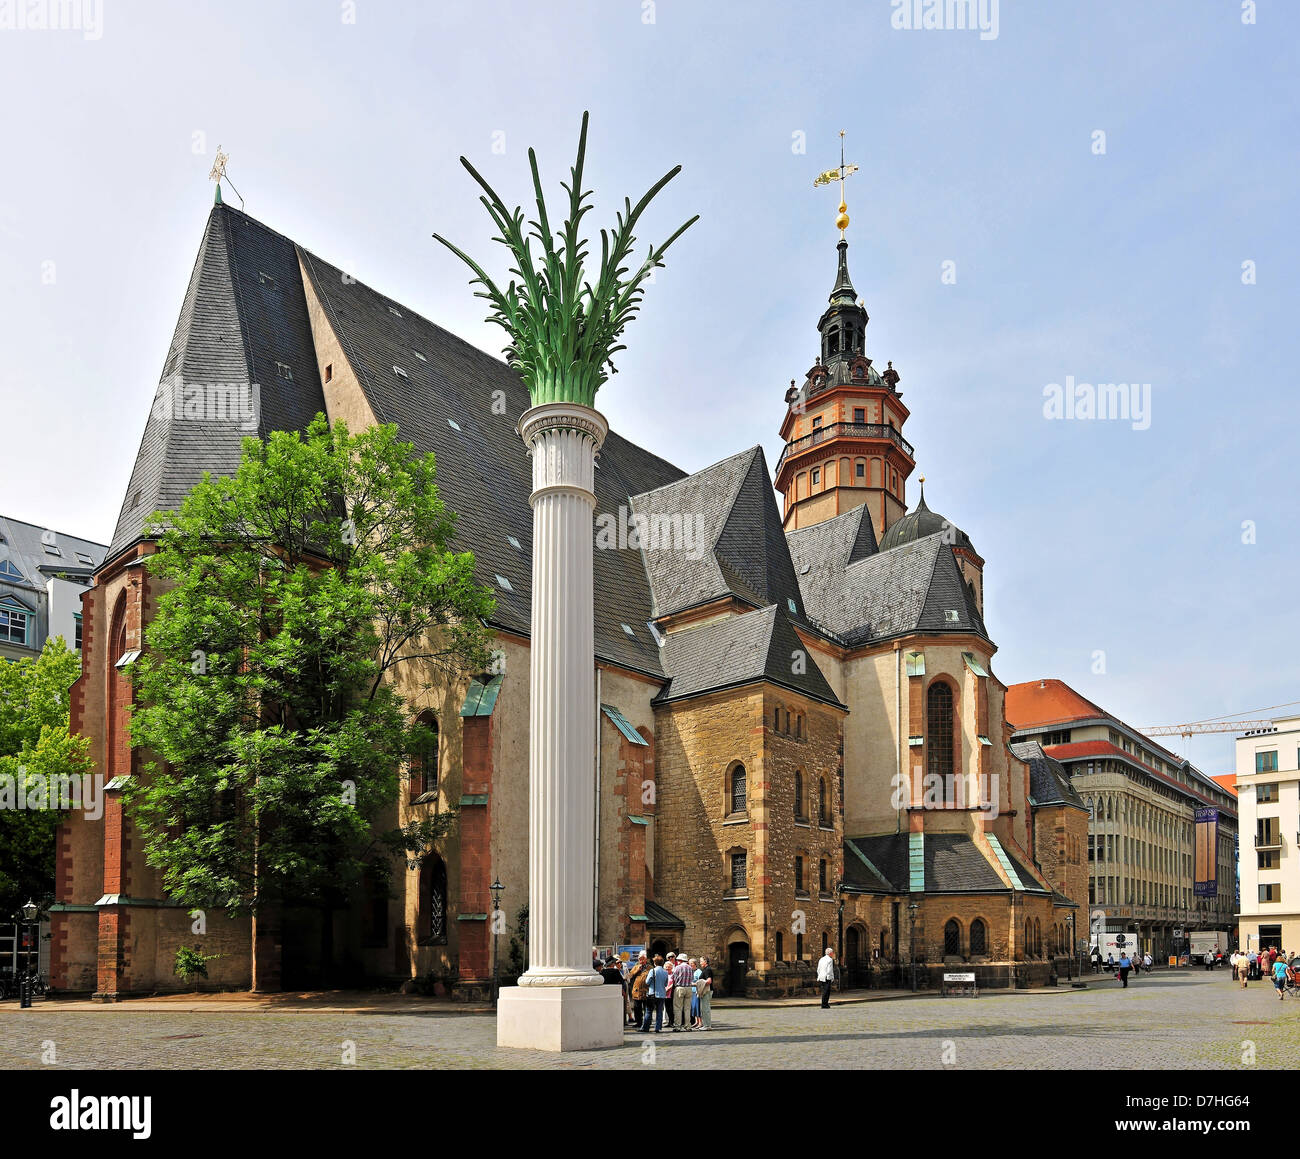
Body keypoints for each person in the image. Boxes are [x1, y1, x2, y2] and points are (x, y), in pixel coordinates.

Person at [640, 955, 668, 1032]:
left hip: (652, 994)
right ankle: (658, 1028)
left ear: (655, 963)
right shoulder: (665, 972)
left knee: (649, 1011)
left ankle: (646, 1027)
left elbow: (647, 982)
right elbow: (666, 984)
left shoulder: (652, 971)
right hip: (662, 994)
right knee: (659, 1011)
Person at [671, 952, 693, 1030]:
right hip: (689, 988)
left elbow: (673, 978)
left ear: (680, 960)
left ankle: (677, 1026)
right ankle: (688, 1026)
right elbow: (692, 978)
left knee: (678, 1008)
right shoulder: (690, 967)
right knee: (687, 1008)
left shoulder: (678, 967)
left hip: (679, 988)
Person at [628, 952, 650, 1027]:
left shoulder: (650, 967)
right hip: (637, 991)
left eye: (643, 959)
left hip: (646, 991)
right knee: (637, 1008)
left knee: (646, 1008)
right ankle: (639, 1022)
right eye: (640, 959)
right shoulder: (636, 966)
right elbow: (629, 976)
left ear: (646, 959)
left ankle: (646, 1023)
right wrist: (636, 971)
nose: (642, 961)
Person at [696, 955, 714, 1030]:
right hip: (706, 991)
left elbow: (709, 981)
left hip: (706, 991)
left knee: (705, 1008)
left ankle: (707, 1026)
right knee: (704, 1008)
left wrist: (696, 984)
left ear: (705, 961)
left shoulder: (707, 970)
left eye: (701, 961)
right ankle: (706, 1025)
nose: (700, 963)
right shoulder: (706, 969)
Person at [689, 958, 702, 1029]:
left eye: (691, 963)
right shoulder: (691, 971)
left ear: (695, 964)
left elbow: (700, 982)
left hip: (697, 991)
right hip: (692, 991)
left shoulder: (698, 971)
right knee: (693, 1007)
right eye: (689, 963)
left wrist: (693, 984)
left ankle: (700, 1022)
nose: (690, 965)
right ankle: (696, 1022)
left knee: (697, 1007)